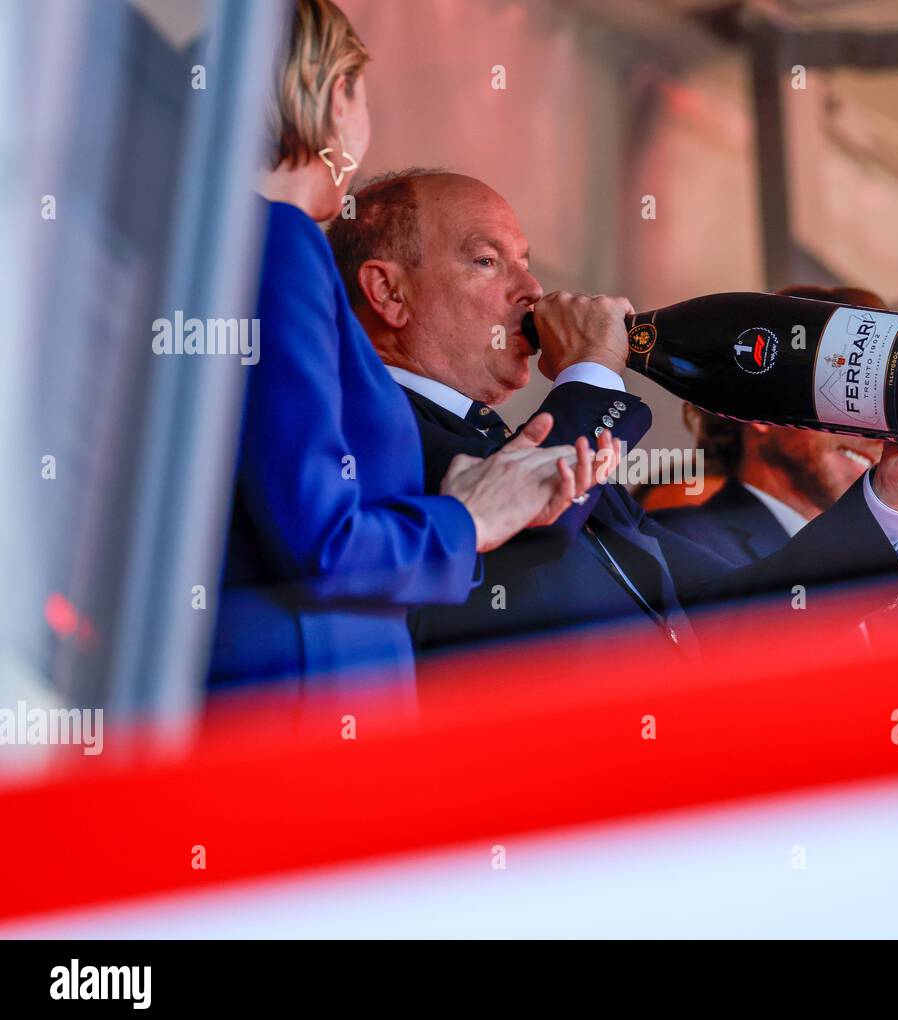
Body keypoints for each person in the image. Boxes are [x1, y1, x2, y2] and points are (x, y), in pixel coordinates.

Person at [326, 171, 898, 655]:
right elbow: (527, 524)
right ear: (389, 291)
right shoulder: (368, 429)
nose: (531, 289)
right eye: (487, 261)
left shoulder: (519, 440)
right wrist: (591, 366)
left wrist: (892, 491)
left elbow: (740, 617)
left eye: (526, 263)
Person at [207, 2, 606, 695]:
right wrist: (469, 518)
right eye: (486, 261)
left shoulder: (231, 242)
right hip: (297, 705)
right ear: (337, 94)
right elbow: (326, 544)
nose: (533, 288)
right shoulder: (279, 242)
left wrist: (463, 506)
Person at [658, 285, 898, 633]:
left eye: (878, 407)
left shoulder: (886, 582)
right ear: (758, 410)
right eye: (843, 399)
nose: (874, 434)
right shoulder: (678, 544)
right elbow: (744, 655)